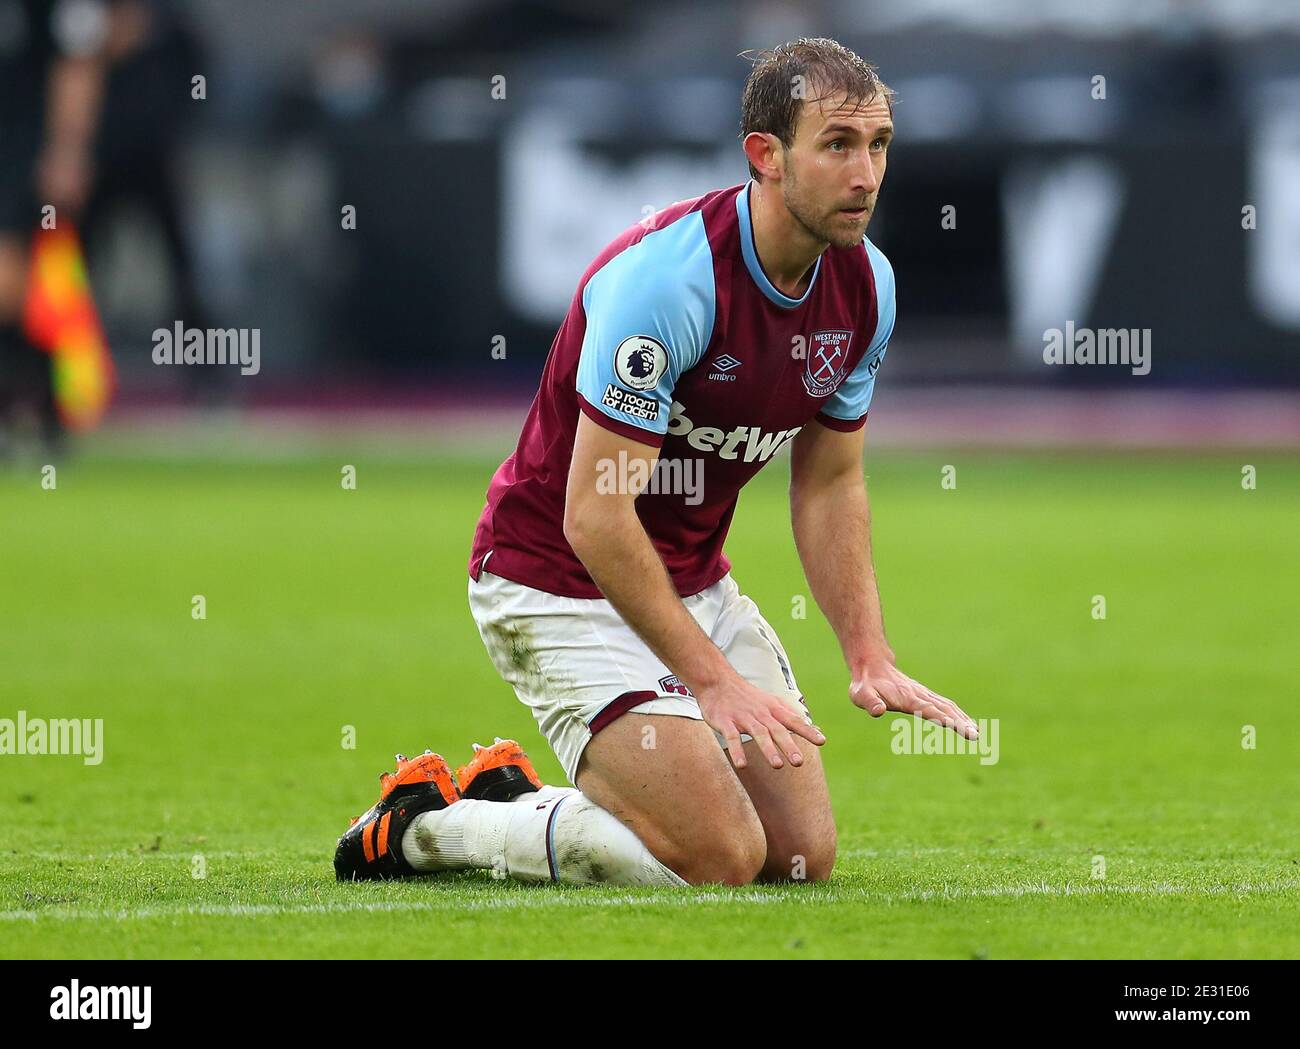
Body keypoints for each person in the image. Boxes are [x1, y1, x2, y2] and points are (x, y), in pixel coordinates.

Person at [336, 37, 978, 887]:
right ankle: (431, 826)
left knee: (798, 859)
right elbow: (594, 514)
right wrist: (712, 683)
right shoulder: (670, 285)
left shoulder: (866, 286)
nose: (866, 173)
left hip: (692, 583)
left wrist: (868, 652)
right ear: (766, 156)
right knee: (718, 857)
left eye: (879, 144)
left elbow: (829, 481)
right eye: (838, 145)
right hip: (554, 579)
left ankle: (518, 789)